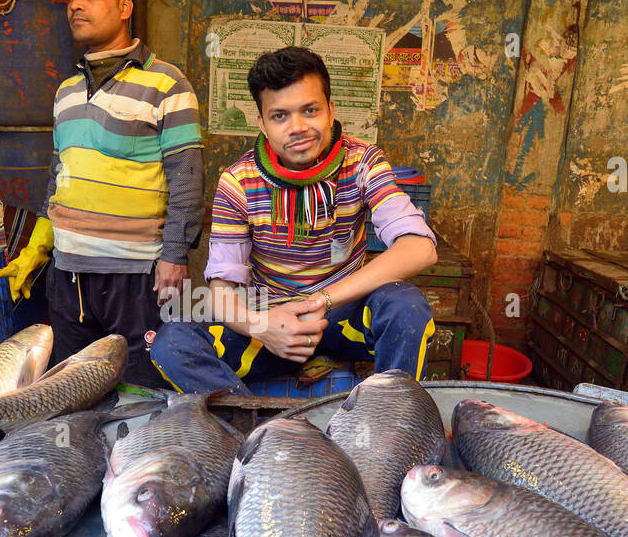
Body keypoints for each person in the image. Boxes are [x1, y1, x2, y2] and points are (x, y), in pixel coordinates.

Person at [149, 46, 439, 394]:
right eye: (280, 116)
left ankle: (387, 426)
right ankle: (256, 430)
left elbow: (419, 248)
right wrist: (262, 326)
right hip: (274, 326)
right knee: (171, 343)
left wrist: (322, 302)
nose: (298, 127)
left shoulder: (362, 162)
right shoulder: (238, 181)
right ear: (262, 123)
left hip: (344, 320)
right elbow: (221, 293)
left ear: (331, 111)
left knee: (404, 305)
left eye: (310, 110)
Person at [0, 0, 203, 387]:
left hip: (136, 275)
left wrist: (175, 256)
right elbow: (59, 174)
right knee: (76, 388)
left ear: (124, 6)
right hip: (68, 275)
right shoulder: (66, 91)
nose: (75, 5)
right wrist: (41, 244)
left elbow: (186, 178)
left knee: (140, 390)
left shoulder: (167, 83)